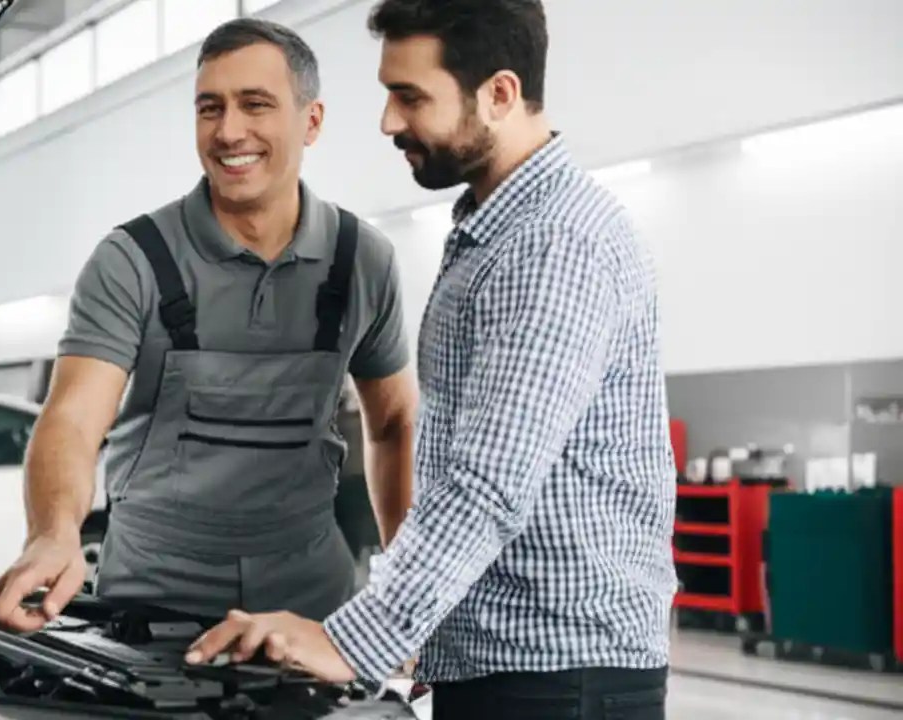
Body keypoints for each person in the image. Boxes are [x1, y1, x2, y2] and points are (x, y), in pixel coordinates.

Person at [185, 2, 679, 718]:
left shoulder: (552, 243)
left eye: (410, 96)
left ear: (499, 94)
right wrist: (426, 630)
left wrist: (358, 640)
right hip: (515, 668)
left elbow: (487, 480)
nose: (388, 120)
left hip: (560, 680)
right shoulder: (494, 228)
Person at [0, 18, 418, 631]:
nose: (228, 131)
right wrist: (54, 533)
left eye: (255, 105)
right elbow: (74, 420)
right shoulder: (133, 259)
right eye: (209, 108)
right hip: (152, 609)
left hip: (308, 613)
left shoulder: (362, 260)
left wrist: (404, 584)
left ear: (312, 121)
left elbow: (396, 422)